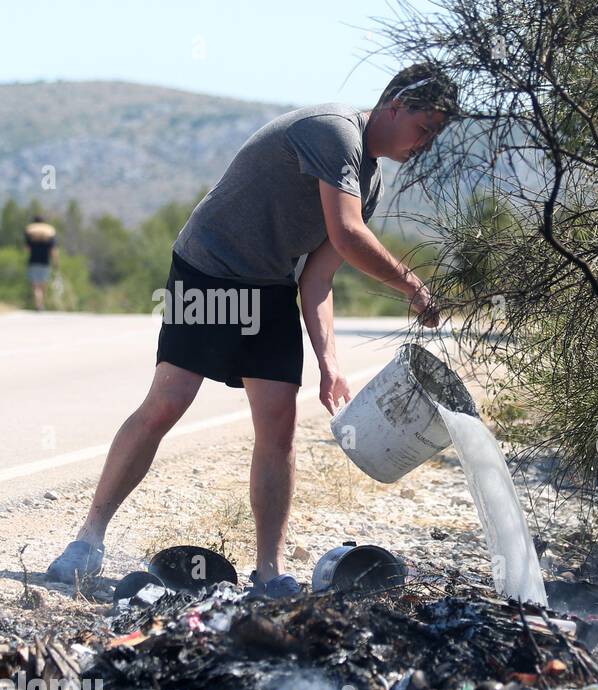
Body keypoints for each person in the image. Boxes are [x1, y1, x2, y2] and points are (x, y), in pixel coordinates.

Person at [46, 62, 458, 596]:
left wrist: (330, 364)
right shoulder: (333, 132)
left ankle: (269, 570)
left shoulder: (369, 181)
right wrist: (412, 284)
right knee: (167, 403)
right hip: (209, 269)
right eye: (424, 128)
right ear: (395, 105)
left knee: (279, 428)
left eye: (436, 136)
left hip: (268, 287)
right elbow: (349, 234)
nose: (425, 143)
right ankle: (88, 539)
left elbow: (317, 278)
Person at [24, 214, 58, 311]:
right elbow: (53, 250)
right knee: (43, 285)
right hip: (45, 262)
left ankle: (38, 305)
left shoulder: (31, 233)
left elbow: (27, 248)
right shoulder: (48, 233)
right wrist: (56, 262)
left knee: (35, 286)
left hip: (33, 261)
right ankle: (41, 304)